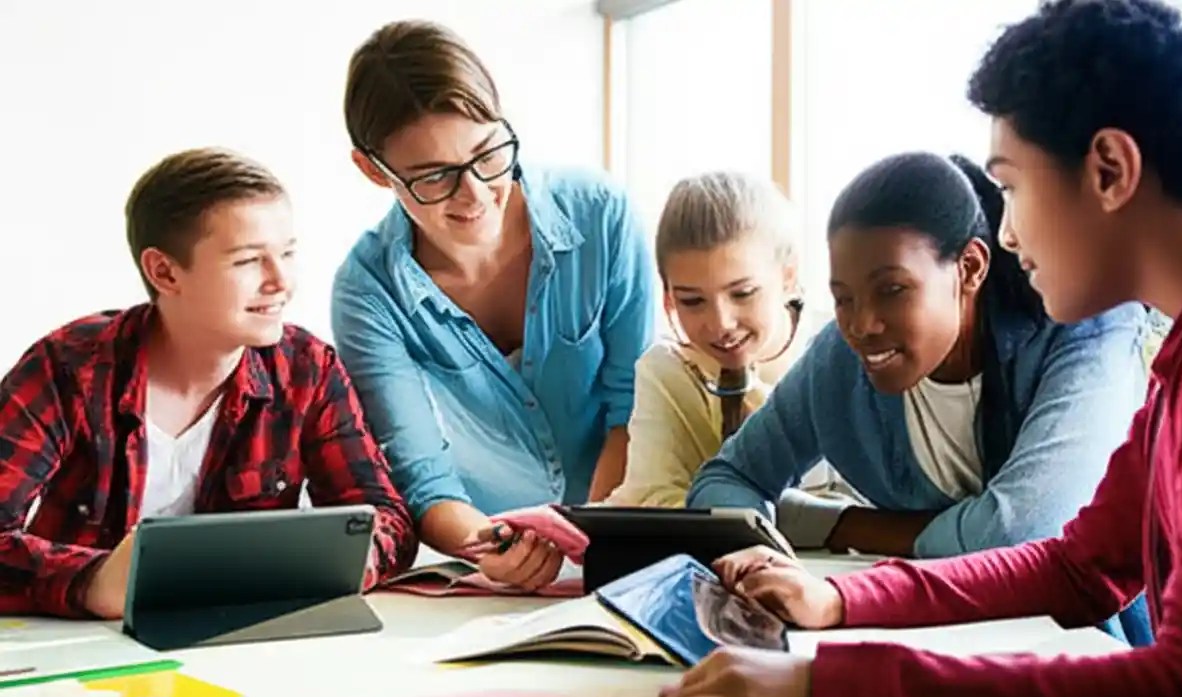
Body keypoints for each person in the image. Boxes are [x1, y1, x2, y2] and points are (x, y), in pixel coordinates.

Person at [639, 1, 1182, 697]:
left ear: (1108, 170)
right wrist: (839, 598)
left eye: (1009, 187)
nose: (1006, 234)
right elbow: (1078, 568)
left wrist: (834, 690)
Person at [685, 150, 1152, 643]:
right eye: (843, 298)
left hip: (1071, 652)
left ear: (970, 268)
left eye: (892, 289)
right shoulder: (841, 359)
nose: (862, 324)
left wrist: (842, 525)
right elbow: (726, 478)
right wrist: (759, 552)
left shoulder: (1083, 331)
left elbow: (1022, 537)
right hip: (919, 636)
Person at [0, 148, 418, 619]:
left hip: (242, 645)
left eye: (287, 253)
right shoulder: (68, 370)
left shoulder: (308, 371)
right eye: (247, 261)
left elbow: (387, 520)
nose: (281, 281)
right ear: (165, 271)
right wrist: (92, 582)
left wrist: (333, 561)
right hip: (81, 652)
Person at [331, 20, 656, 591]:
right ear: (373, 170)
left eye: (488, 154)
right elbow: (422, 477)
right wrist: (490, 548)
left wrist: (594, 536)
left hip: (626, 535)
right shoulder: (368, 291)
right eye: (434, 177)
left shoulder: (600, 213)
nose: (477, 194)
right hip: (493, 558)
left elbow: (631, 411)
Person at [603, 171, 808, 507]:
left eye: (742, 293)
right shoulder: (666, 371)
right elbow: (648, 496)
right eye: (692, 301)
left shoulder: (835, 358)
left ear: (788, 277)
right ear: (668, 297)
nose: (720, 324)